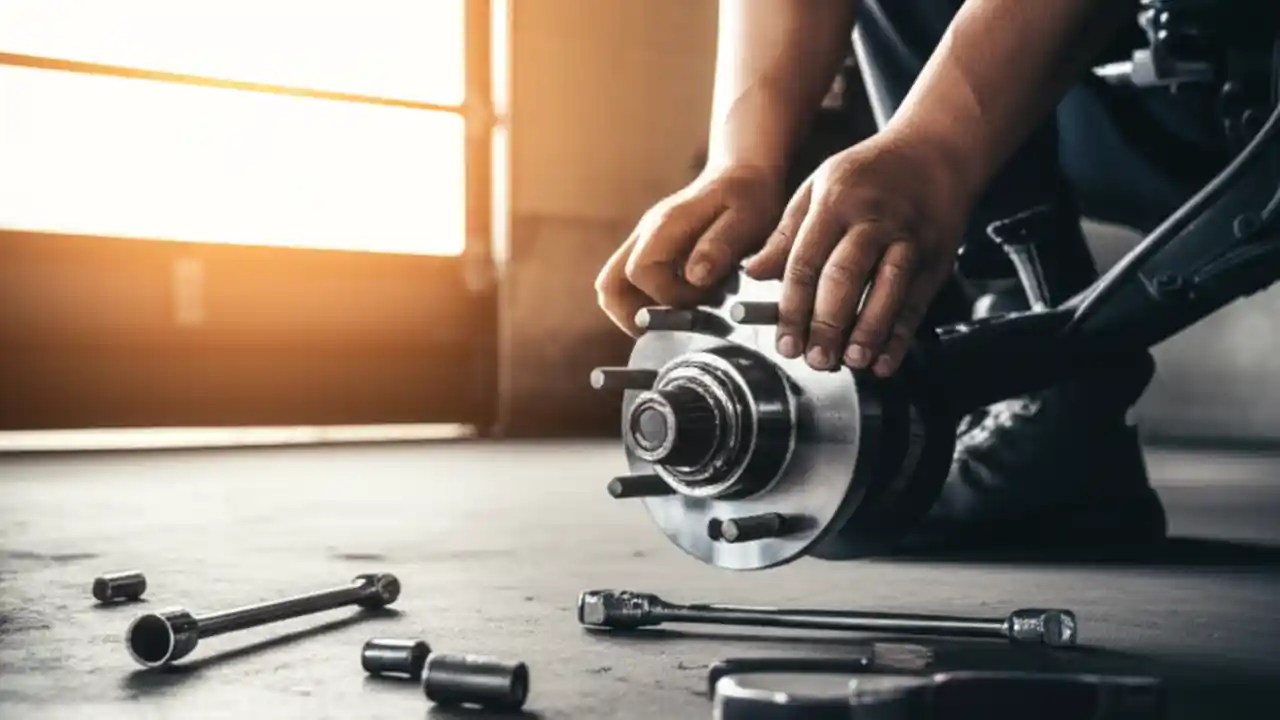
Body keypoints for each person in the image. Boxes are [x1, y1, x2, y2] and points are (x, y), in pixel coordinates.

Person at [595, 1, 1233, 549]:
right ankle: (1049, 402)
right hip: (1110, 102)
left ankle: (1050, 392)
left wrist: (936, 146)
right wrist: (743, 162)